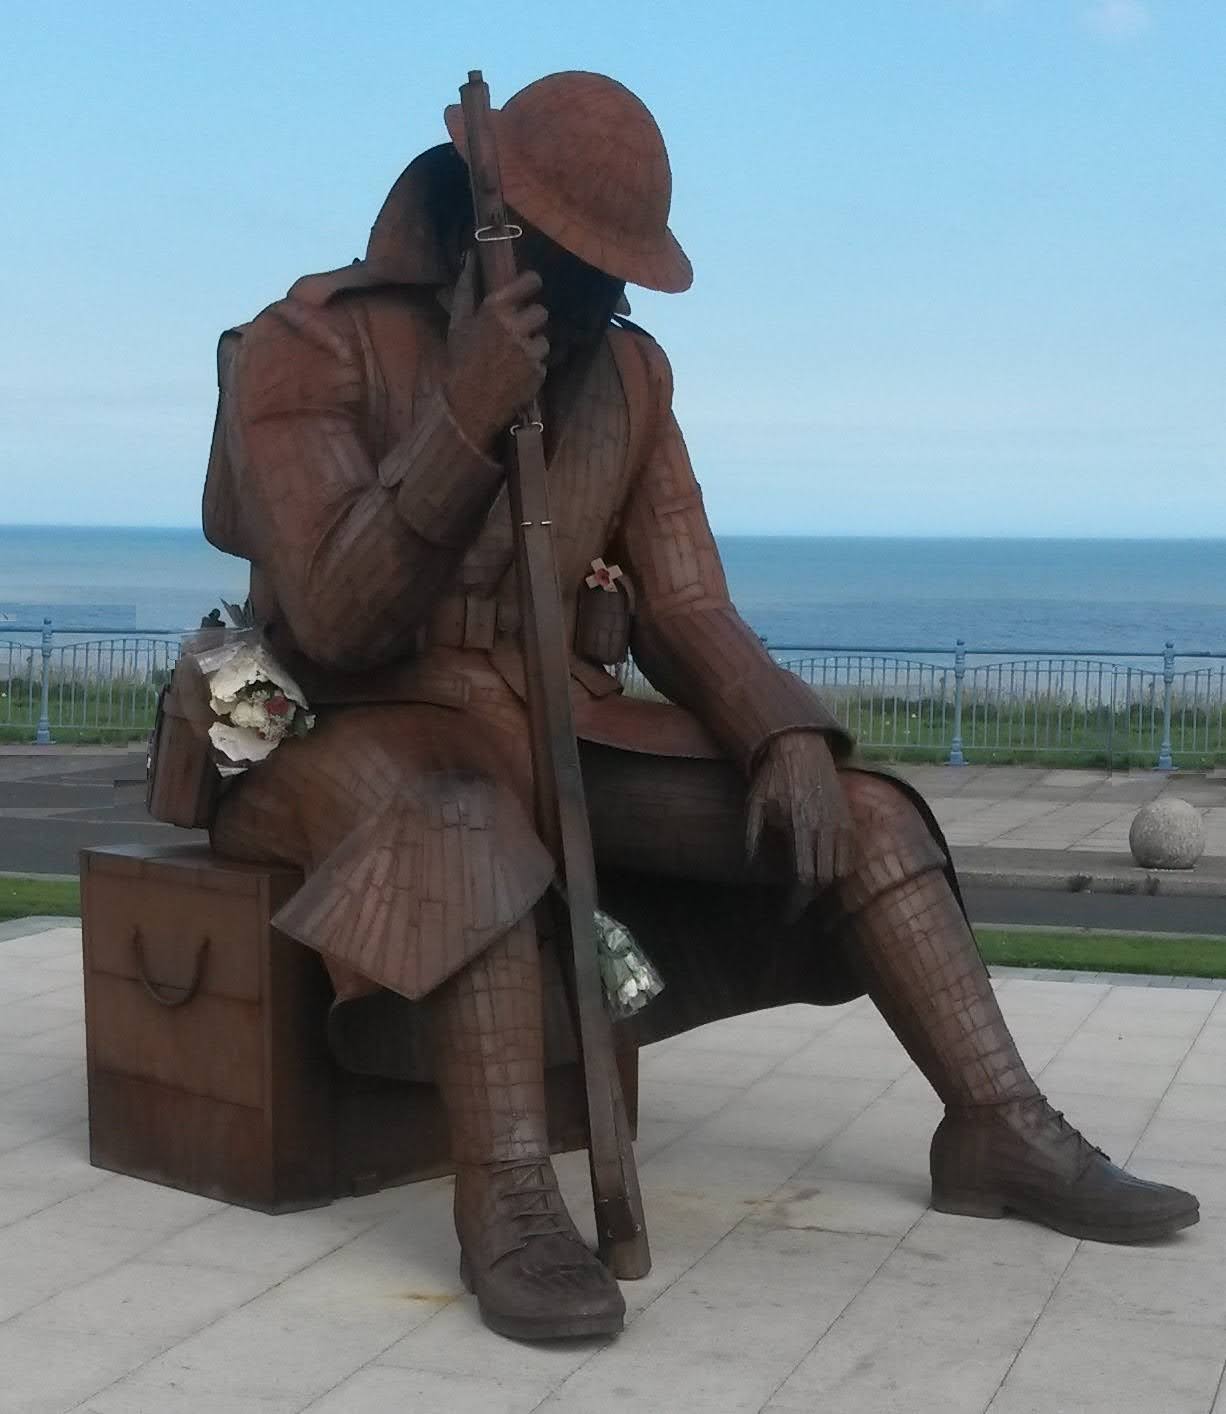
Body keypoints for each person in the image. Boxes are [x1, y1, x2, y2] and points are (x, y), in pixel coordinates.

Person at [202, 71, 1197, 1341]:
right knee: (458, 819)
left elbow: (684, 604)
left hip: (538, 724)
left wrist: (779, 729)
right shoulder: (311, 342)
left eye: (613, 277)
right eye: (573, 267)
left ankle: (996, 1125)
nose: (595, 302)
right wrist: (465, 410)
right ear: (494, 223)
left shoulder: (627, 377)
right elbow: (340, 615)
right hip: (334, 727)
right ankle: (509, 1198)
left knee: (863, 816)